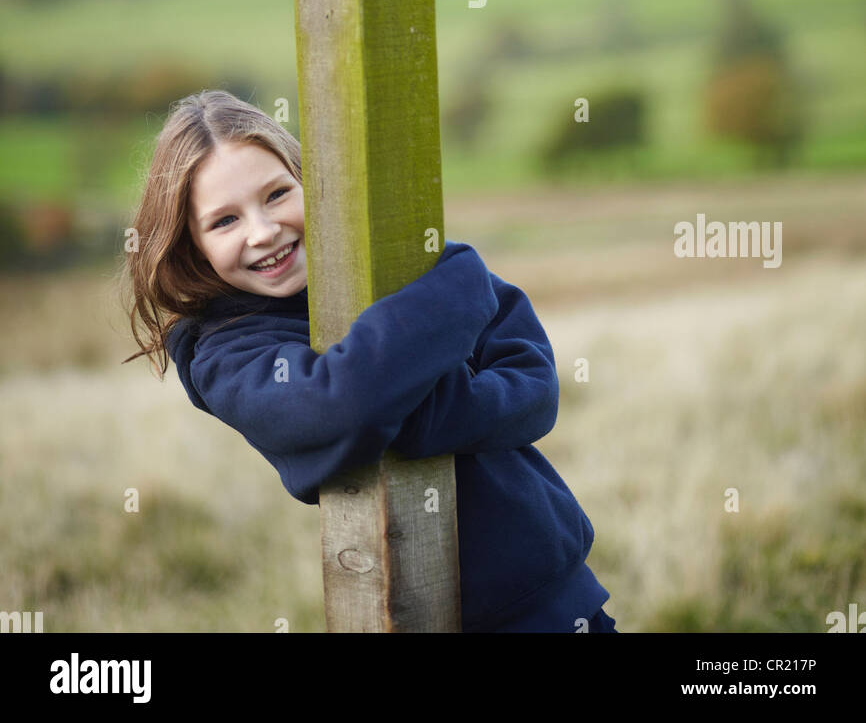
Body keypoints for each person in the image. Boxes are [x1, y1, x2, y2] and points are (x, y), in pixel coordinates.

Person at [122, 88, 617, 634]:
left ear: (312, 183)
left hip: (564, 599)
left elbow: (536, 389)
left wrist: (412, 416)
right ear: (191, 244)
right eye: (224, 221)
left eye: (277, 194)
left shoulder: (392, 270)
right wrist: (454, 296)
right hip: (414, 615)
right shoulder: (228, 354)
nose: (262, 232)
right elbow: (343, 403)